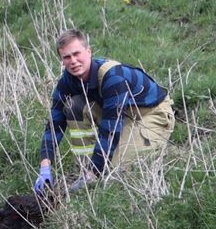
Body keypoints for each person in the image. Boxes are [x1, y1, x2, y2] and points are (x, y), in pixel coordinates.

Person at [34, 29, 175, 193]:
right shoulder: (68, 80)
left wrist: (95, 173)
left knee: (114, 171)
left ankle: (163, 146)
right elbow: (54, 122)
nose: (73, 61)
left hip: (150, 114)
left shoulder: (113, 77)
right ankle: (86, 167)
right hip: (120, 113)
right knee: (74, 105)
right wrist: (45, 166)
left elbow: (110, 129)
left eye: (76, 54)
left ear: (88, 52)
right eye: (66, 57)